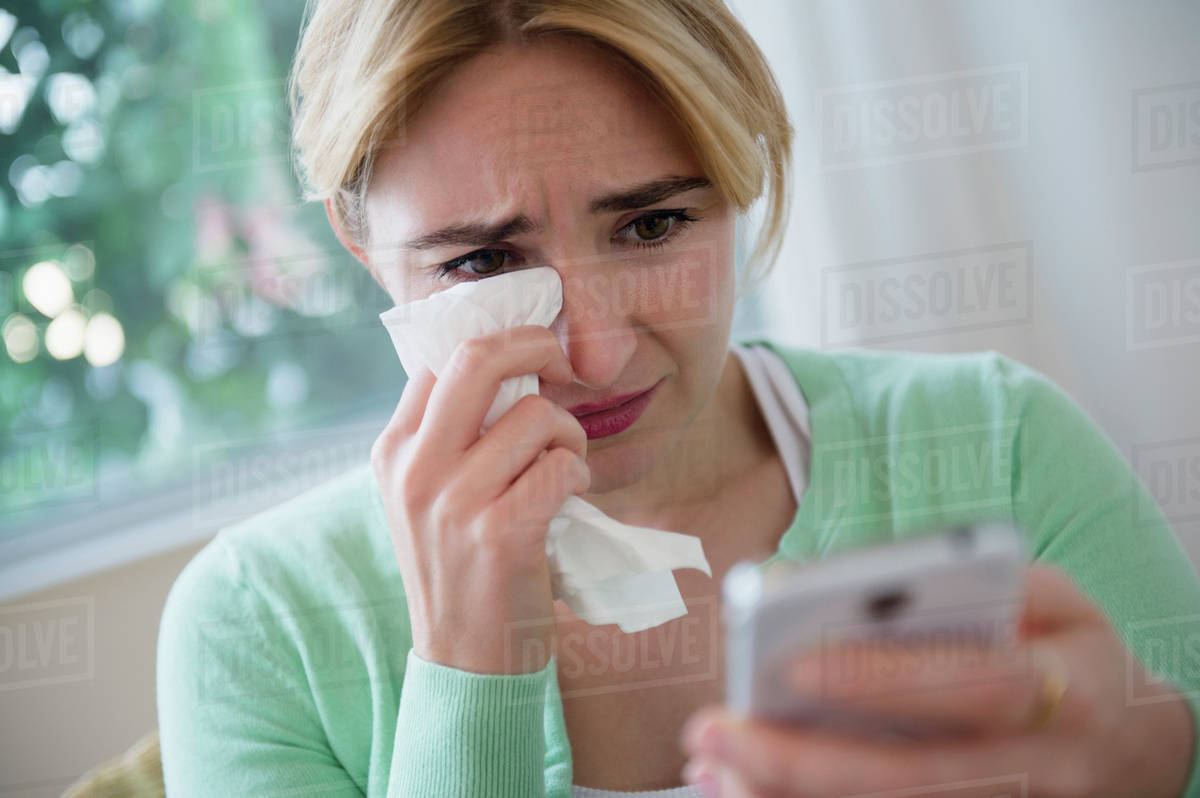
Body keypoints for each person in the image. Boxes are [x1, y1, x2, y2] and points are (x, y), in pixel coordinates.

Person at [157, 1, 1200, 796]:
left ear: (739, 172)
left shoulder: (997, 443)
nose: (599, 357)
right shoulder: (259, 625)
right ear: (360, 247)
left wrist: (1149, 751)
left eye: (653, 227)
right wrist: (470, 667)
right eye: (483, 263)